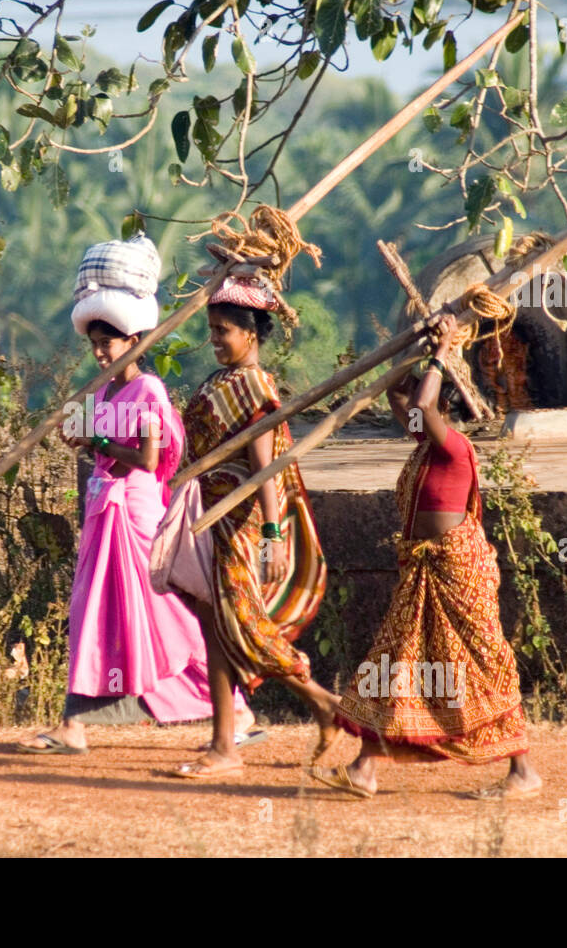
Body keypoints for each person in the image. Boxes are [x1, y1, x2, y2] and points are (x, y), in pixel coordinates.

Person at [18, 300, 258, 754]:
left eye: (107, 344)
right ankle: (74, 723)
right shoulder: (106, 393)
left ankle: (233, 704)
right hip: (103, 511)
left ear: (133, 342)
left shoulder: (149, 390)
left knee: (165, 614)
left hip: (135, 513)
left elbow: (148, 460)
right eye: (94, 346)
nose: (100, 354)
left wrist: (98, 439)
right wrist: (88, 443)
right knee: (94, 610)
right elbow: (106, 455)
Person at [317, 314, 541, 800]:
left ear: (446, 406)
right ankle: (364, 770)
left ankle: (523, 772)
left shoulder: (454, 447)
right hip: (425, 567)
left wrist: (442, 352)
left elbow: (419, 401)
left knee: (483, 663)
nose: (419, 411)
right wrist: (414, 347)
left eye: (432, 400)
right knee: (398, 660)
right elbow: (401, 396)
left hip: (458, 567)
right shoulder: (424, 443)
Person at [170, 277, 339, 779]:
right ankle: (224, 744)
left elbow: (265, 466)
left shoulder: (252, 387)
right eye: (212, 330)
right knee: (217, 629)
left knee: (243, 626)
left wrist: (272, 536)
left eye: (224, 331)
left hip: (240, 525)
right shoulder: (222, 381)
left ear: (251, 333)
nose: (216, 339)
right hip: (211, 522)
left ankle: (323, 701)